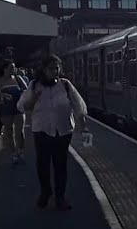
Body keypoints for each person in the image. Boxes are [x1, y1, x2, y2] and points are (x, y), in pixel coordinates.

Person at [18, 56, 88, 210]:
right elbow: (22, 107)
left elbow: (79, 106)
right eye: (51, 68)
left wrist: (83, 126)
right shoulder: (34, 85)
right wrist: (34, 97)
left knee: (60, 165)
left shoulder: (66, 85)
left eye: (57, 68)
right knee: (42, 165)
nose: (55, 71)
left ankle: (60, 197)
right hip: (42, 131)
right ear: (43, 69)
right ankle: (45, 192)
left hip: (63, 131)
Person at [0, 60, 29, 164]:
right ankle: (13, 153)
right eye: (11, 68)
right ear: (5, 69)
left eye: (14, 67)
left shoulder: (18, 78)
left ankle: (21, 151)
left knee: (19, 131)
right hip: (5, 109)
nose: (14, 70)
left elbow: (26, 90)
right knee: (8, 132)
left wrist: (23, 94)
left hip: (18, 108)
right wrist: (1, 95)